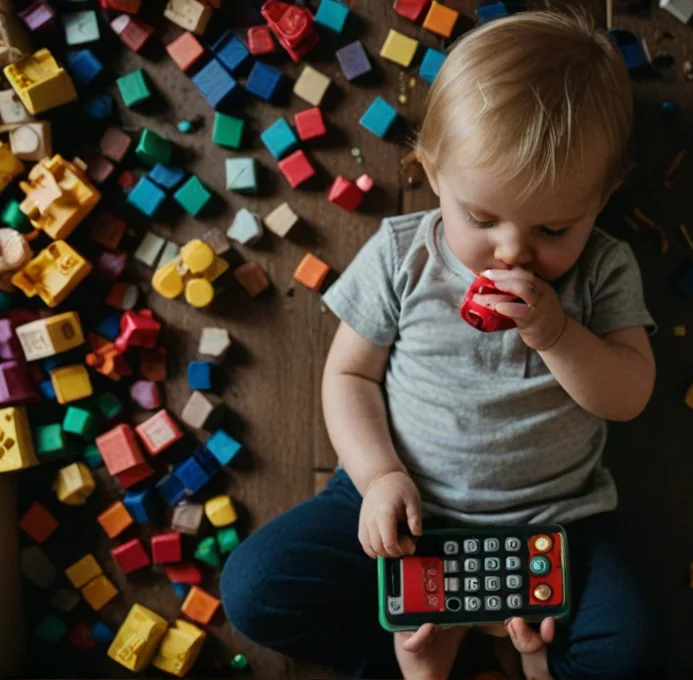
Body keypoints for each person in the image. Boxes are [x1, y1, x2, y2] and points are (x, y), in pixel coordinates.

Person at [222, 10, 658, 679]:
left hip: (554, 522)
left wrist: (557, 334)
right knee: (257, 589)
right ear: (431, 173)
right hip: (409, 510)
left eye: (554, 228)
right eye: (482, 219)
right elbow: (348, 378)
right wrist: (378, 476)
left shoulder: (603, 269)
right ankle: (414, 656)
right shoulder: (403, 255)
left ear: (605, 196)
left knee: (627, 653)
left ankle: (531, 663)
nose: (514, 251)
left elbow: (628, 395)